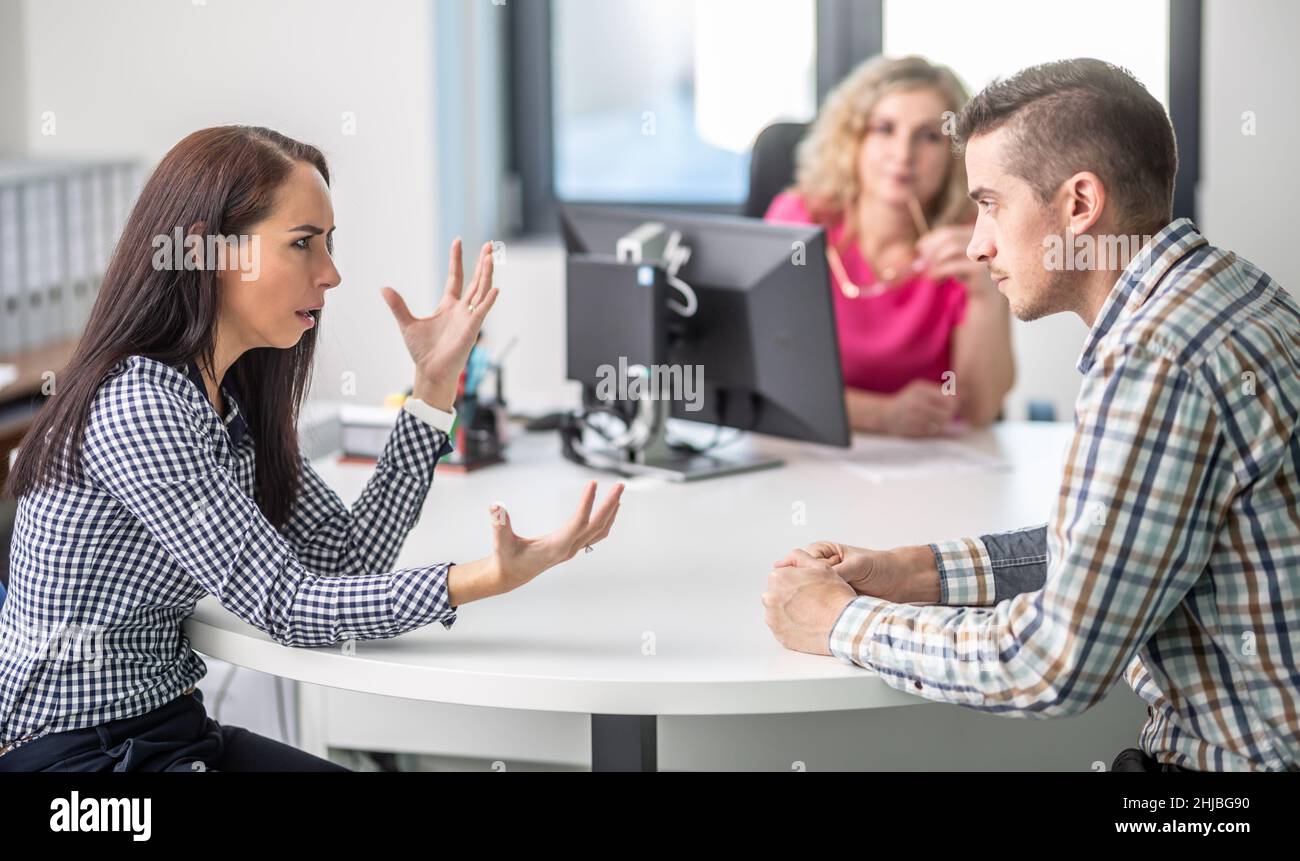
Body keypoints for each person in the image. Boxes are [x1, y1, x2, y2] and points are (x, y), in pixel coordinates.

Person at [0, 126, 623, 771]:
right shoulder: (142, 405)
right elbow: (286, 604)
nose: (331, 274)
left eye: (328, 244)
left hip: (169, 730)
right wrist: (482, 580)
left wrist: (432, 389)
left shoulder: (224, 400)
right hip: (77, 764)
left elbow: (348, 560)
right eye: (302, 244)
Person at [762, 59, 1299, 772]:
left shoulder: (1156, 357)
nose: (979, 240)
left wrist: (837, 620)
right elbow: (1115, 546)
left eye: (990, 202)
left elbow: (1048, 664)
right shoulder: (1226, 290)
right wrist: (909, 570)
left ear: (1080, 204)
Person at [765, 55, 1014, 437]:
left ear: (955, 156)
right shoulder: (799, 220)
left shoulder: (967, 244)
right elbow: (771, 379)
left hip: (933, 466)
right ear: (852, 140)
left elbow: (980, 410)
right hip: (809, 451)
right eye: (884, 129)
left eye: (929, 136)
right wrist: (882, 415)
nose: (903, 155)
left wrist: (986, 297)